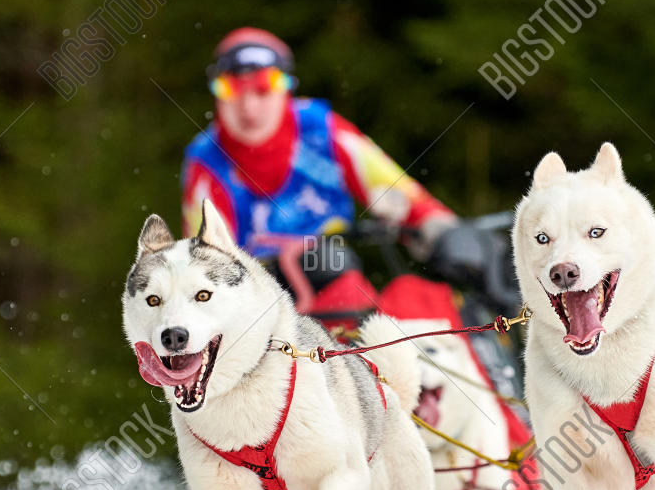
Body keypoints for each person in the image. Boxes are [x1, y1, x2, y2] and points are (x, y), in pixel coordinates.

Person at [181, 27, 460, 315]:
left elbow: (400, 197)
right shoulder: (206, 161)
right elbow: (207, 267)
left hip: (346, 291)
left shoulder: (322, 130)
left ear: (287, 88)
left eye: (264, 87)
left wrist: (446, 233)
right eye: (231, 89)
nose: (249, 107)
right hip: (263, 314)